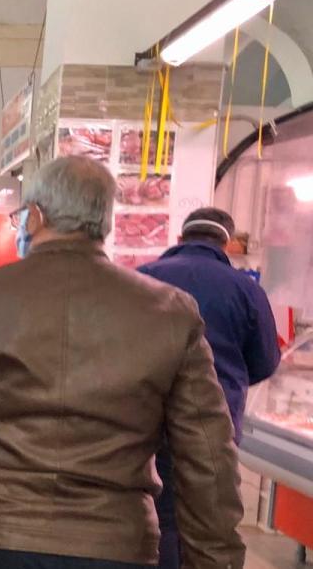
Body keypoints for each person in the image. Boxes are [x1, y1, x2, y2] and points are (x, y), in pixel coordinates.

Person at [0, 156, 245, 569]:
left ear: (35, 217)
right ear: (105, 224)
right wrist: (214, 558)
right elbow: (207, 452)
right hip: (115, 540)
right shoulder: (170, 312)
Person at [139, 207, 280, 569]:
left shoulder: (141, 279)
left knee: (156, 508)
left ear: (180, 238)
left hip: (146, 416)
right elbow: (265, 361)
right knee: (208, 515)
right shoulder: (246, 290)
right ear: (226, 243)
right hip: (214, 424)